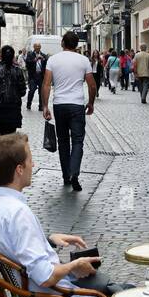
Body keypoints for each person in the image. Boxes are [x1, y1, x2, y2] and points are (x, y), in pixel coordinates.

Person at [0, 133, 149, 297]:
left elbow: (15, 248)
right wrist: (75, 265)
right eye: (30, 160)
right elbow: (45, 276)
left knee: (127, 290)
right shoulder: (18, 213)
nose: (34, 165)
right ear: (19, 169)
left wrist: (48, 240)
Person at [42, 31, 96, 191]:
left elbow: (46, 84)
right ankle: (74, 173)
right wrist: (91, 103)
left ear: (62, 43)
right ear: (77, 45)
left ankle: (66, 175)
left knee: (63, 141)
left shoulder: (53, 60)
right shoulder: (84, 60)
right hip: (77, 105)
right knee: (78, 141)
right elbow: (92, 85)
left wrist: (45, 106)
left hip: (60, 105)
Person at [0, 45, 27, 137]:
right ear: (13, 56)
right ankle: (9, 150)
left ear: (0, 55)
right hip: (13, 107)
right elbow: (23, 92)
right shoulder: (18, 71)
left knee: (2, 134)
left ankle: (4, 150)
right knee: (11, 135)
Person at [25, 42, 47, 111]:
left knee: (41, 92)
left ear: (40, 47)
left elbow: (47, 64)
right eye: (36, 46)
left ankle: (41, 106)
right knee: (31, 91)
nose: (38, 48)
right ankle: (29, 104)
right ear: (34, 47)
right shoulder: (30, 54)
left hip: (40, 76)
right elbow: (27, 63)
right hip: (33, 76)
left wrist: (44, 59)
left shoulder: (43, 55)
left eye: (39, 46)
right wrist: (35, 60)